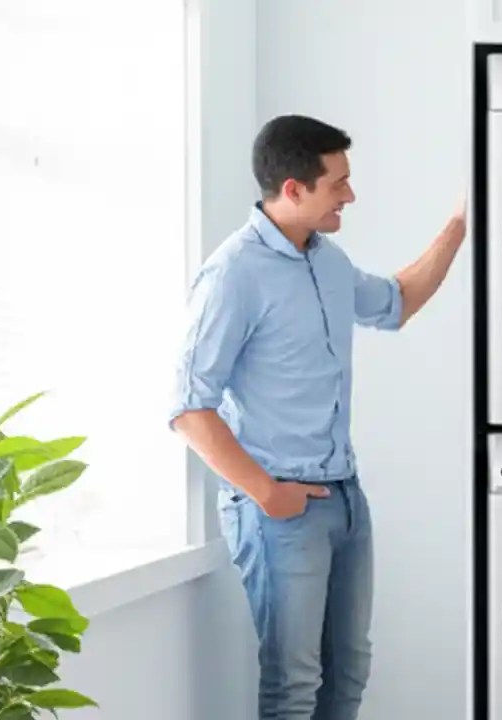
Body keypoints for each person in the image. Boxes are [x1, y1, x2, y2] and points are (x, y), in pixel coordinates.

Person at [169, 114, 466, 719]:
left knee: (348, 673)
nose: (350, 197)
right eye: (339, 184)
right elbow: (188, 409)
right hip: (281, 510)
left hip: (345, 500)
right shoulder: (234, 273)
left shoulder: (326, 261)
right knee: (293, 685)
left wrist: (460, 227)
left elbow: (397, 301)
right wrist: (267, 494)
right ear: (294, 190)